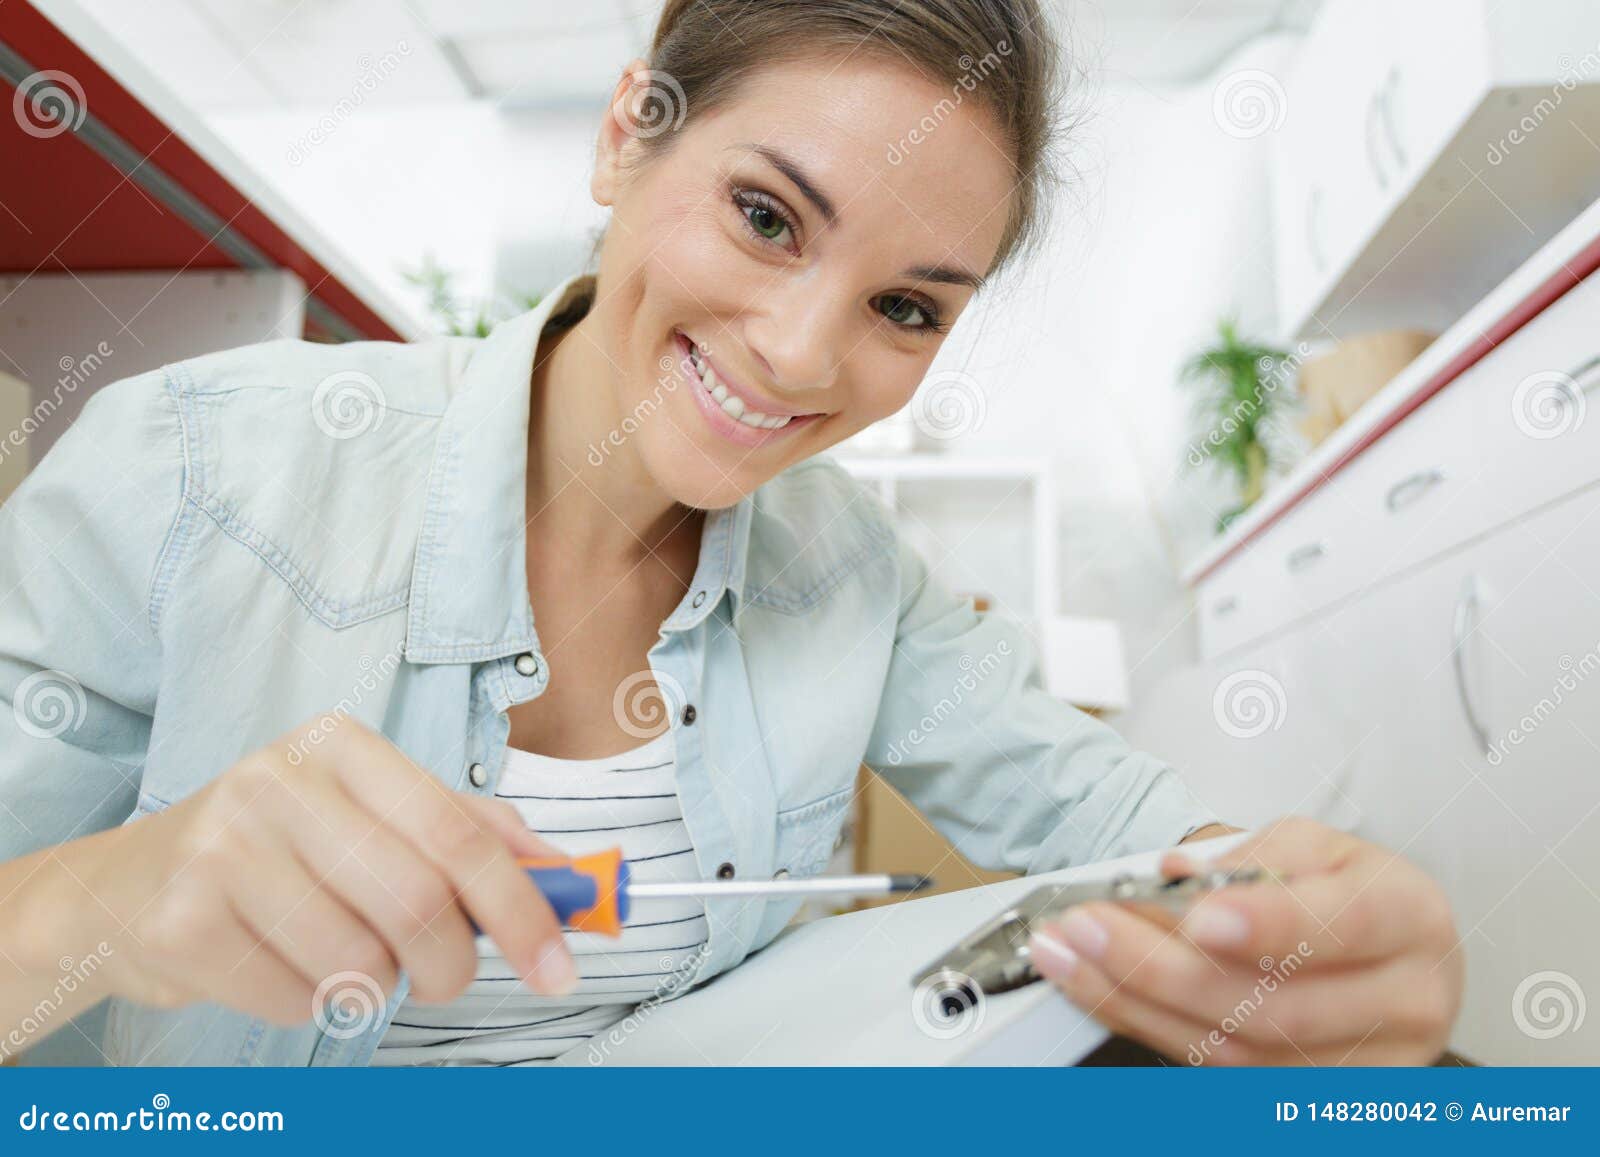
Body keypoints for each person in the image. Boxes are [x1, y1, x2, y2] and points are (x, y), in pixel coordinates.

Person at [0, 0, 1460, 1067]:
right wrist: (106, 894)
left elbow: (1130, 831)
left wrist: (1314, 916)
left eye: (907, 308)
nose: (802, 353)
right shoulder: (197, 470)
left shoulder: (854, 581)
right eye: (767, 215)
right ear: (625, 136)